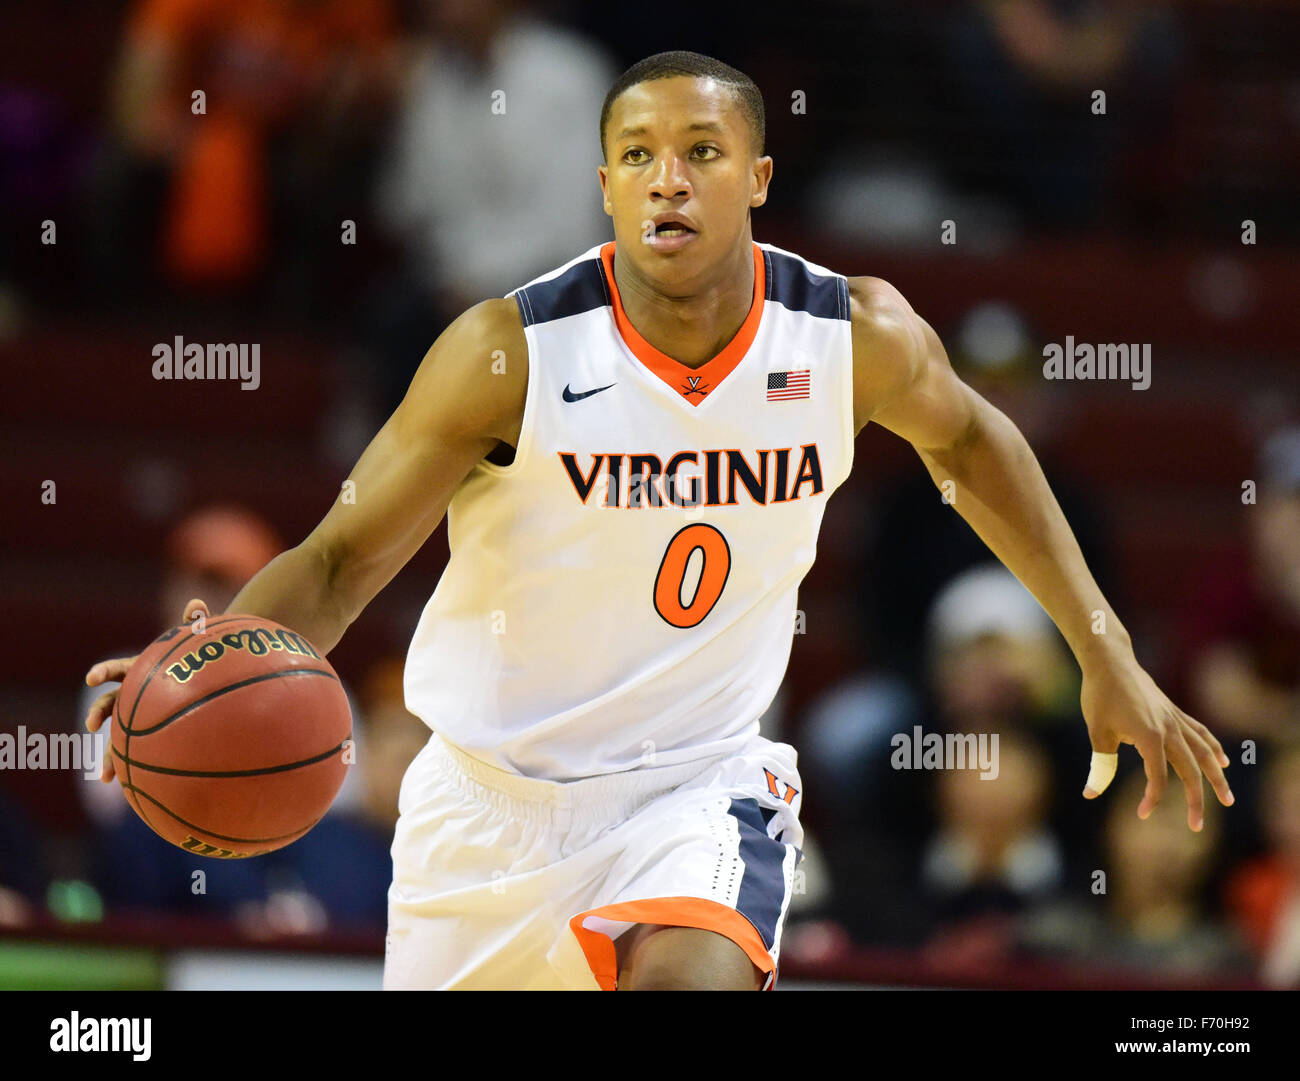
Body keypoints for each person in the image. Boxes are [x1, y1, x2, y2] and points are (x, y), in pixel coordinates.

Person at [86, 51, 1233, 991]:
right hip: (484, 803)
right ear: (605, 185)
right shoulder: (507, 353)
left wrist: (1102, 646)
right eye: (636, 157)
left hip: (694, 783)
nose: (666, 181)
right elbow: (339, 559)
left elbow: (976, 441)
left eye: (699, 153)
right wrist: (205, 663)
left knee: (692, 976)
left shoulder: (849, 336)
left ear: (759, 177)